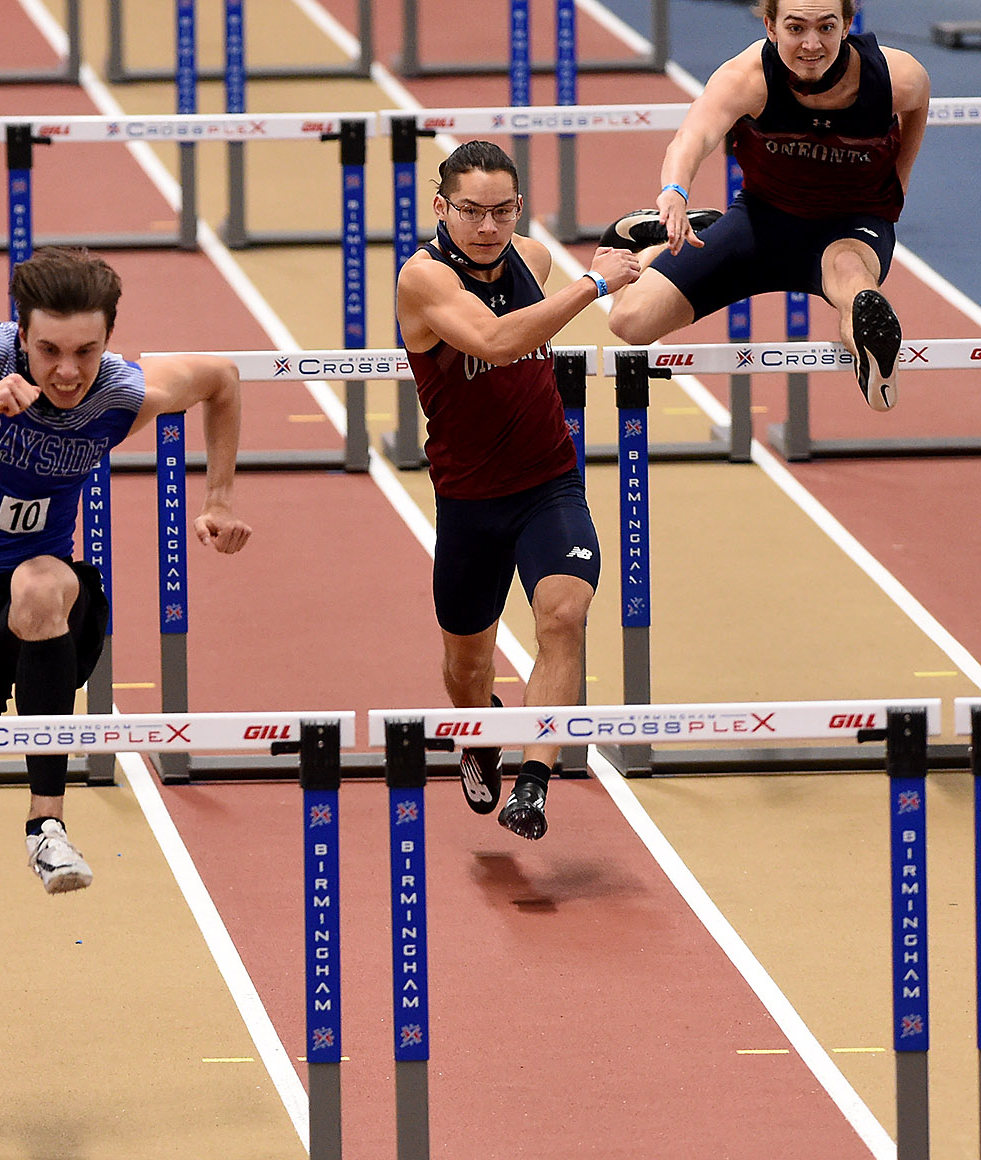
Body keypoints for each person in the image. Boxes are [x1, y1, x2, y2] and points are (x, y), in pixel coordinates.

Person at [0, 246, 251, 1095]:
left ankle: (45, 823)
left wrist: (218, 498)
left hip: (49, 602)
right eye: (50, 350)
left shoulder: (122, 392)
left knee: (39, 582)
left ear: (109, 342)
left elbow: (223, 378)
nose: (67, 371)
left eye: (86, 351)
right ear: (23, 335)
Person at [395, 142, 641, 842]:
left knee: (563, 616)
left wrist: (645, 249)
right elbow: (498, 341)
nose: (488, 226)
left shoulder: (530, 259)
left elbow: (609, 274)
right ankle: (479, 734)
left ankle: (533, 783)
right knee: (467, 666)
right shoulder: (423, 278)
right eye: (471, 211)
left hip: (548, 485)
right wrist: (592, 285)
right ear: (441, 207)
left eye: (503, 211)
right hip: (469, 500)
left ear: (518, 209)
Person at [602, 0, 929, 412]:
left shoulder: (895, 77)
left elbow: (918, 102)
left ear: (847, 26)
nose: (812, 44)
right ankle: (654, 250)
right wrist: (675, 192)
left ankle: (874, 358)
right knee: (629, 323)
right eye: (796, 28)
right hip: (760, 225)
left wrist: (900, 180)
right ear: (771, 27)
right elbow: (693, 137)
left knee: (853, 280)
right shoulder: (747, 78)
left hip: (852, 224)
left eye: (826, 28)